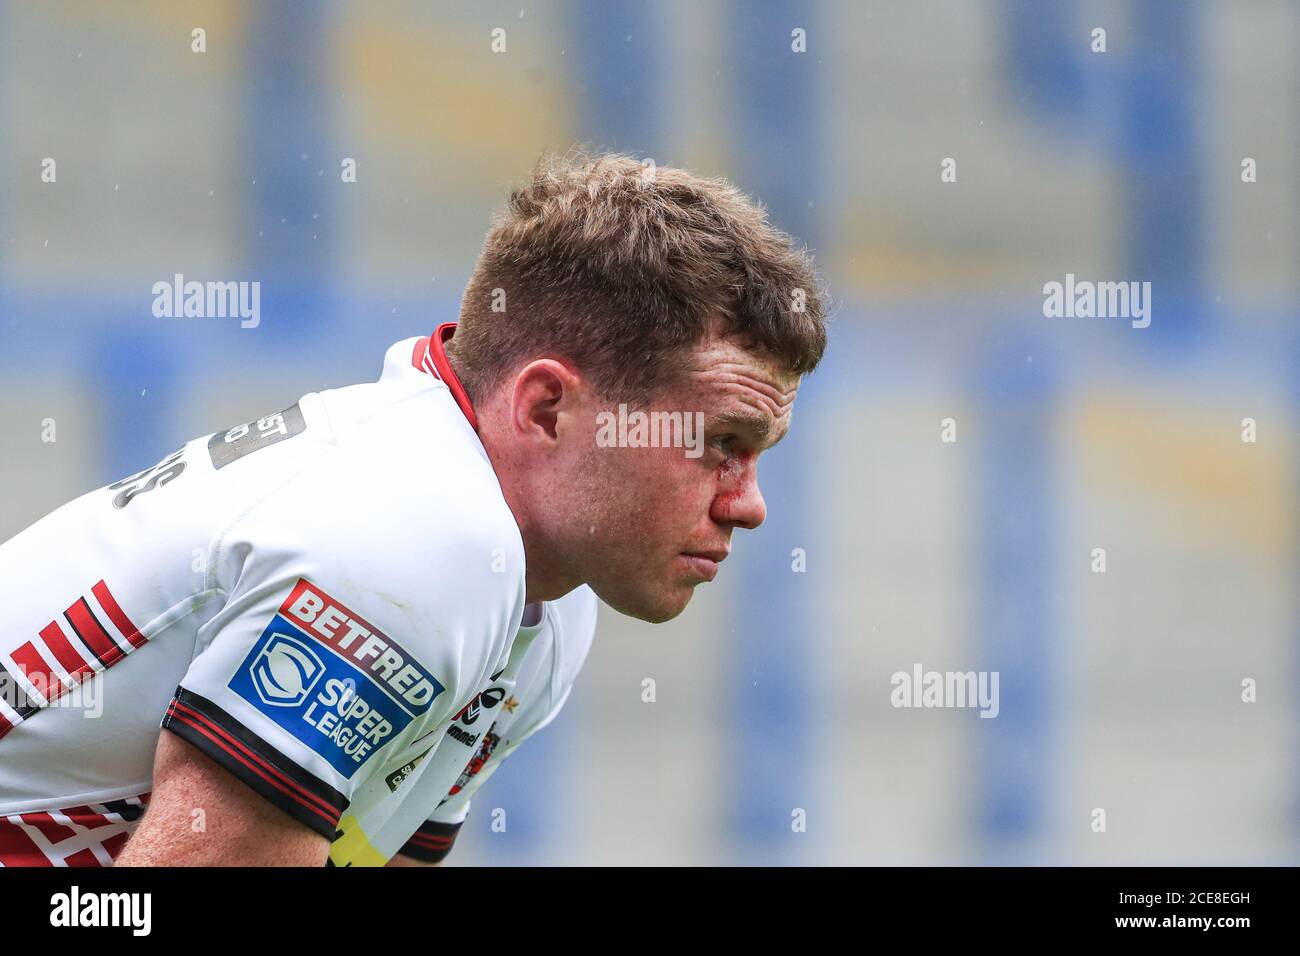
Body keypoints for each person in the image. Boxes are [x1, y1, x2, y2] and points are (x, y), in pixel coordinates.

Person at [0, 151, 827, 866]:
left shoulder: (543, 601)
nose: (748, 505)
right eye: (719, 441)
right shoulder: (420, 540)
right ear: (545, 409)